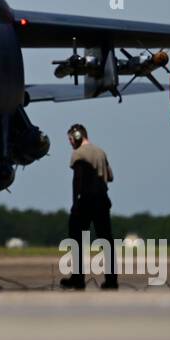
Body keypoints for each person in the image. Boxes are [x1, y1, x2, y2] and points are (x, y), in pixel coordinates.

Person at [60, 123, 118, 291]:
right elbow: (111, 176)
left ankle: (77, 279)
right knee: (106, 240)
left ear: (77, 137)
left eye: (70, 139)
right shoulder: (100, 152)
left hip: (84, 201)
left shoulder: (78, 154)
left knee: (77, 240)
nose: (70, 143)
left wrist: (75, 205)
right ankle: (111, 281)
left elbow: (78, 180)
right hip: (102, 201)